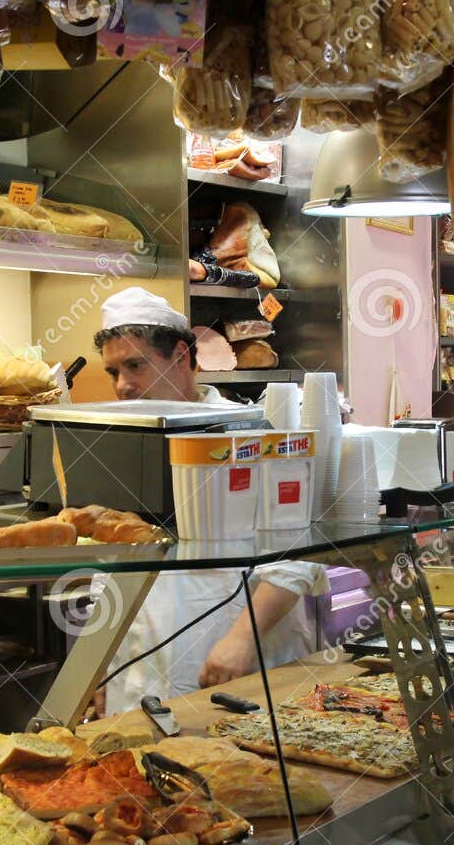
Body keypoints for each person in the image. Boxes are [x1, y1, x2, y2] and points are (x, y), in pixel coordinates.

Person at [90, 287, 324, 715]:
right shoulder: (118, 444)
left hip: (232, 663)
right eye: (113, 371)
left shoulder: (250, 431)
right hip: (136, 676)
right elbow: (113, 561)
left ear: (181, 355)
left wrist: (243, 639)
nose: (122, 385)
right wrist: (98, 664)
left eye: (135, 365)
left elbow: (298, 553)